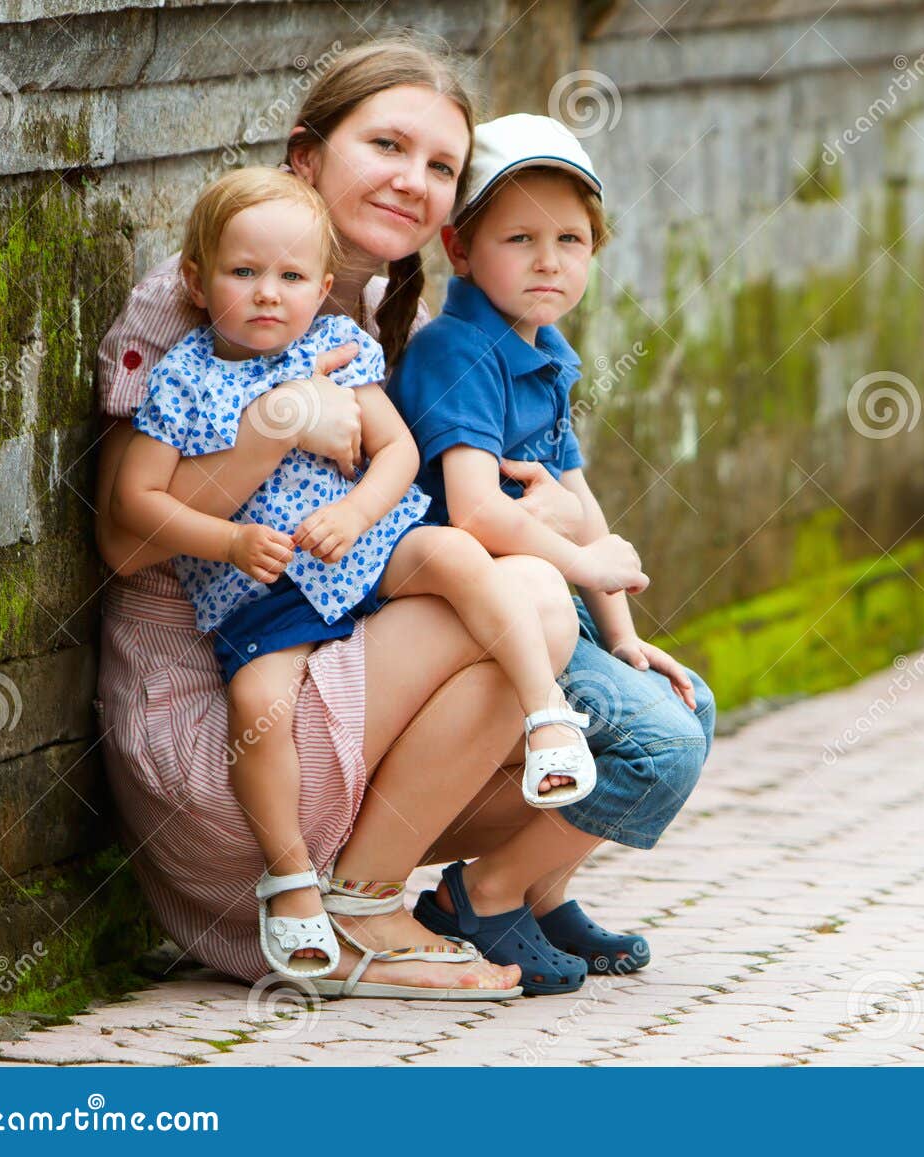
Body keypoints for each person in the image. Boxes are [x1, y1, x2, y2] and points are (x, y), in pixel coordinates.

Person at [92, 37, 668, 999]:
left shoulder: (349, 310)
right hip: (222, 734)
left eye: (441, 166)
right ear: (307, 155)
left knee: (610, 705)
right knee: (528, 602)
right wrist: (274, 426)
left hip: (322, 651)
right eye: (387, 146)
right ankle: (360, 908)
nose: (413, 180)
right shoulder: (204, 298)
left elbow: (403, 490)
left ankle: (427, 891)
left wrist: (564, 515)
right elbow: (124, 539)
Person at [388, 114, 715, 976]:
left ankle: (544, 894)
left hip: (557, 608)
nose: (549, 261)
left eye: (571, 240)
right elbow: (472, 511)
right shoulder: (457, 352)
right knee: (663, 746)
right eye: (521, 238)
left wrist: (623, 633)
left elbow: (576, 499)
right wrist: (580, 563)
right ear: (459, 248)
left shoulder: (544, 352)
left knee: (692, 706)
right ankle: (481, 895)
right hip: (492, 615)